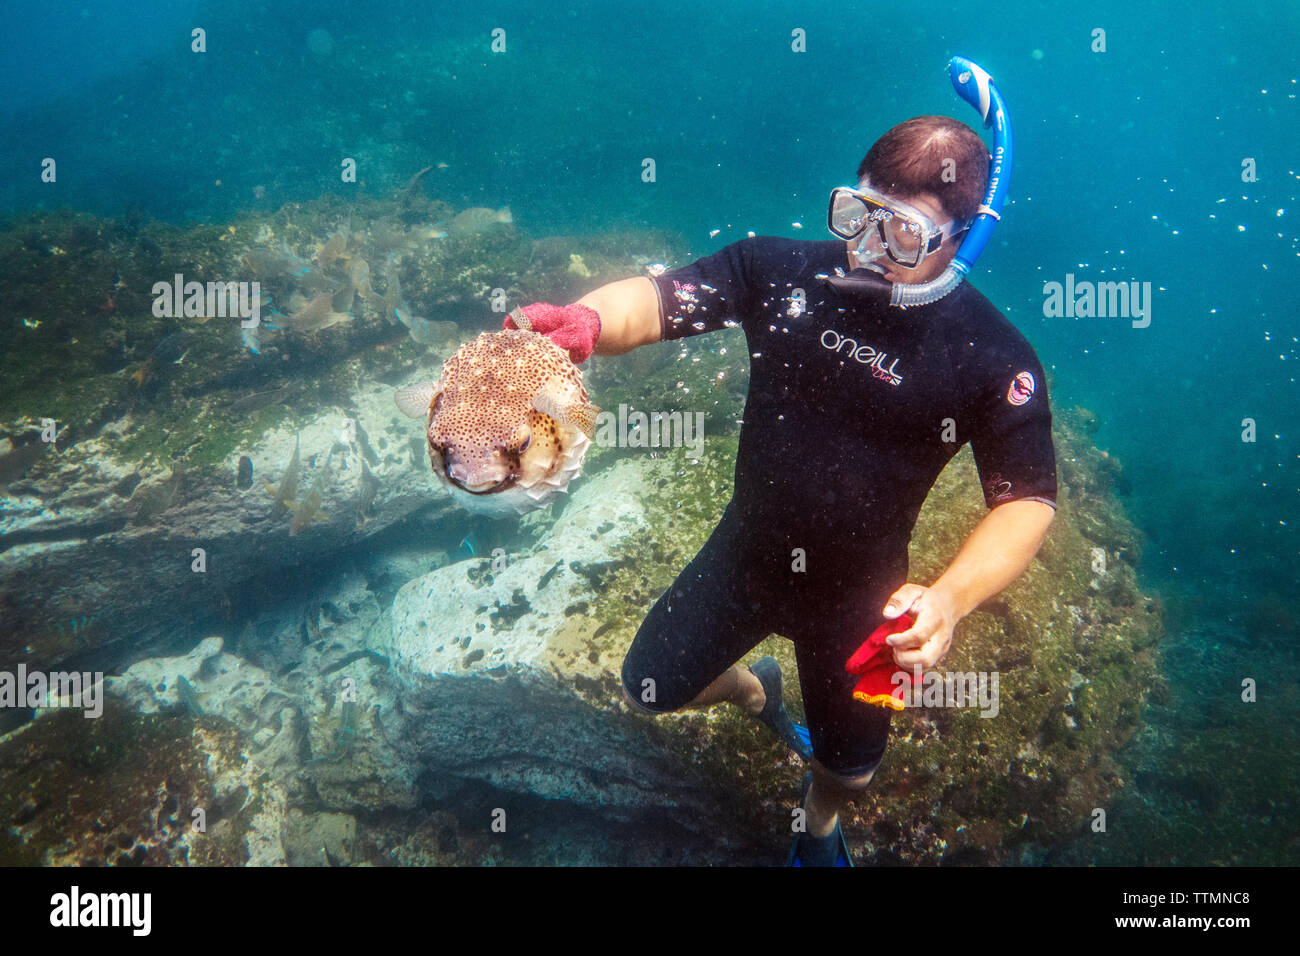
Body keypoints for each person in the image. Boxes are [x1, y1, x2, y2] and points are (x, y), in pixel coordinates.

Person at [506, 113, 1057, 866]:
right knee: (646, 691)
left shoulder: (992, 356)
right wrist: (584, 321)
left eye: (901, 235)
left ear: (961, 237)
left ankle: (817, 830)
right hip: (748, 555)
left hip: (861, 599)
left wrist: (951, 597)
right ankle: (755, 692)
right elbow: (660, 300)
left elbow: (1024, 500)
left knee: (850, 769)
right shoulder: (776, 270)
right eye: (857, 215)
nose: (866, 246)